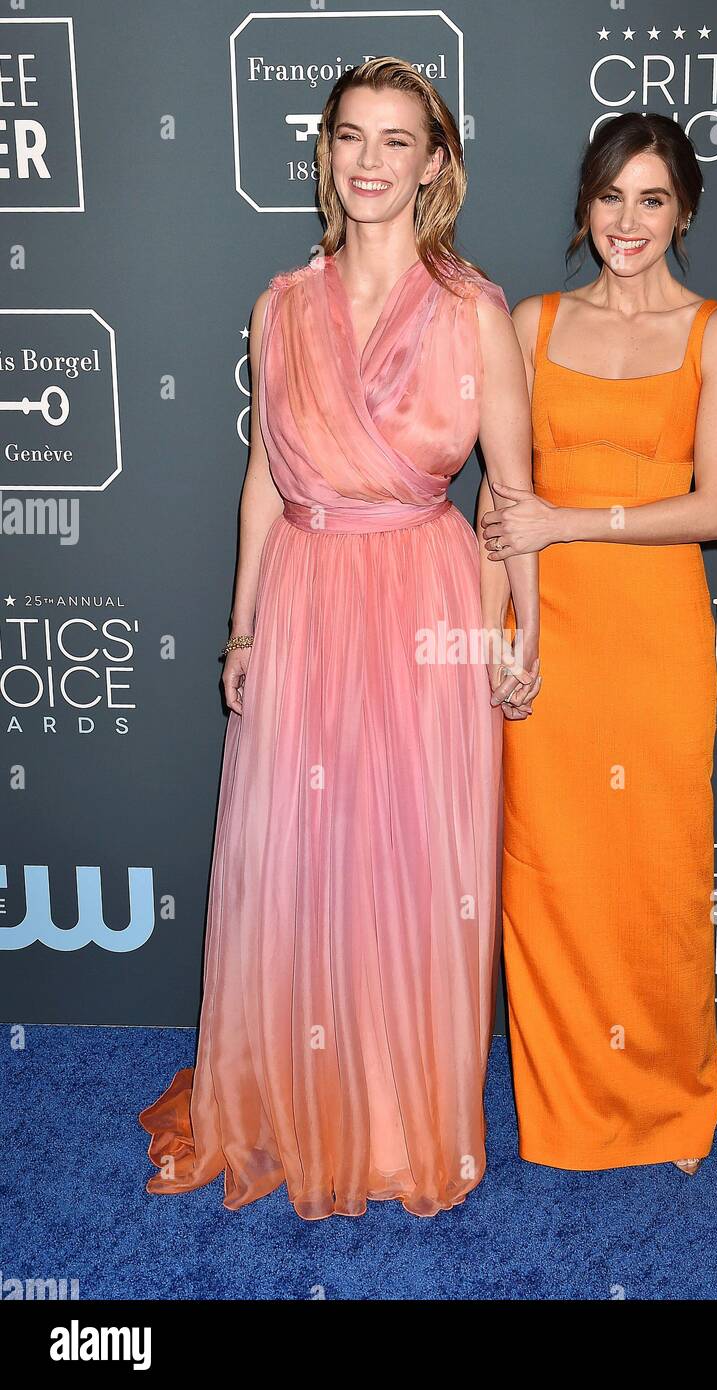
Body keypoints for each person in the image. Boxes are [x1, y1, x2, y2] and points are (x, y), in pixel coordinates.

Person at [139, 57, 539, 1221]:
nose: (370, 160)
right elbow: (265, 476)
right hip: (309, 593)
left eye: (396, 140)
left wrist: (521, 628)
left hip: (427, 597)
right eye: (351, 137)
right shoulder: (279, 305)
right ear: (327, 155)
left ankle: (395, 1116)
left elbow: (510, 495)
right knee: (305, 860)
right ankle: (294, 1098)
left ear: (435, 164)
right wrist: (243, 625)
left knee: (415, 866)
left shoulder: (474, 310)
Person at [481, 113, 717, 1177]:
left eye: (651, 199)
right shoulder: (529, 323)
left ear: (683, 209)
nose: (626, 221)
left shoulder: (714, 332)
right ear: (584, 206)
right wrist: (497, 632)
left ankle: (667, 1107)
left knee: (659, 878)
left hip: (654, 638)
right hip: (547, 627)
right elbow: (501, 505)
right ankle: (567, 1115)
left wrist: (571, 521)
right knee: (548, 875)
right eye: (609, 197)